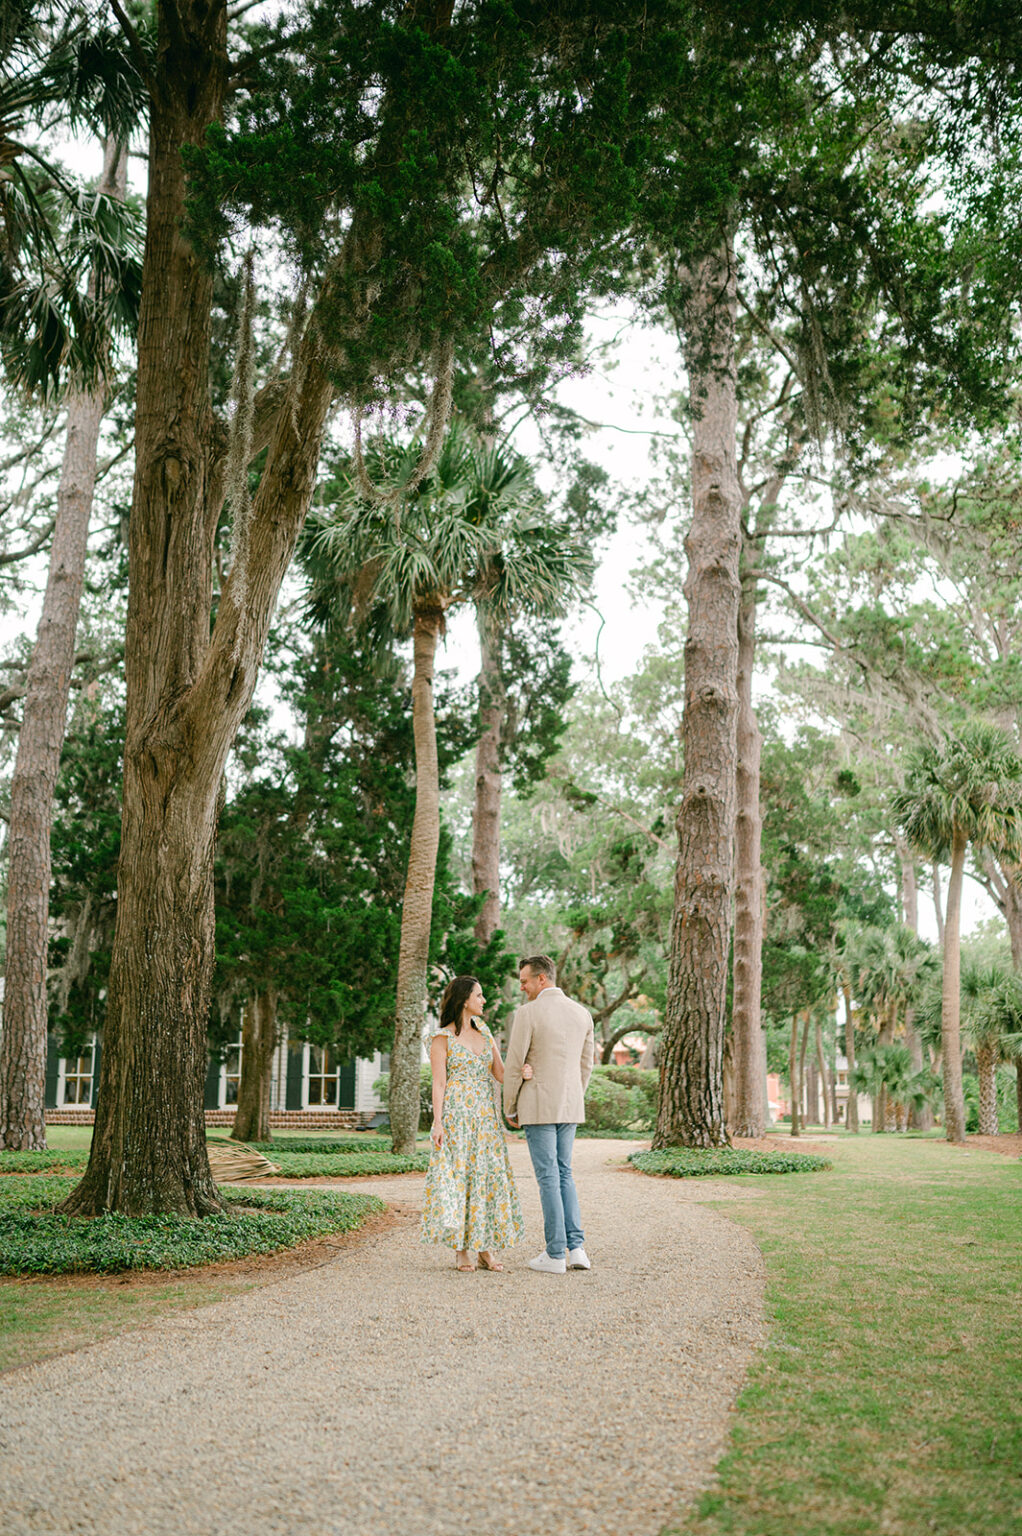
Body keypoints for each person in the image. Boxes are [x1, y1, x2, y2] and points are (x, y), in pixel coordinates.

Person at [420, 974, 525, 1272]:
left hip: (486, 1119)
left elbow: (501, 1074)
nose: (484, 1000)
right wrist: (438, 1123)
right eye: (479, 995)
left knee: (487, 1178)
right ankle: (461, 1249)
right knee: (460, 1179)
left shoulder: (485, 1031)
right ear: (464, 999)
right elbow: (439, 1083)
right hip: (457, 1117)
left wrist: (523, 1072)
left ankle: (485, 1248)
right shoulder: (442, 1038)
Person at [503, 954, 595, 1275]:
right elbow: (586, 1065)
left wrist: (510, 1106)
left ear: (541, 978)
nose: (522, 987)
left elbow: (515, 1063)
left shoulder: (527, 1013)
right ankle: (577, 1249)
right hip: (569, 1104)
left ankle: (555, 1253)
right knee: (564, 1173)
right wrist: (572, 1096)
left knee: (548, 1177)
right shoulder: (582, 1013)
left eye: (525, 981)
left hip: (538, 1104)